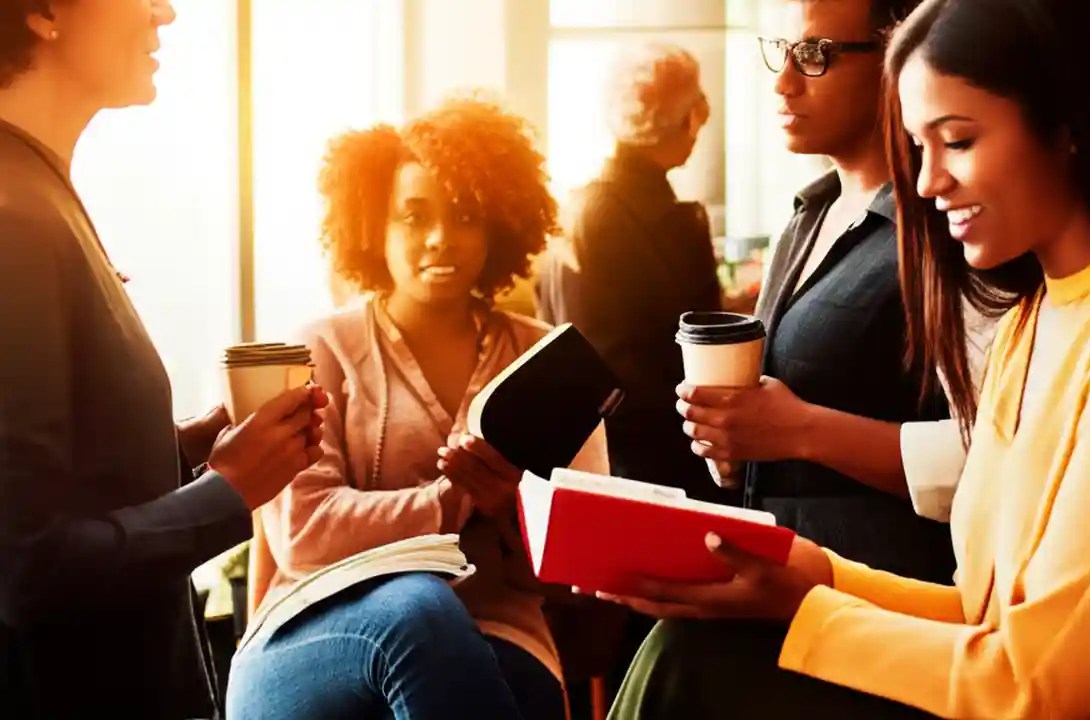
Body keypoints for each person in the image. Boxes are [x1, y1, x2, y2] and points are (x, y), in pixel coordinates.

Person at [602, 0, 1090, 717]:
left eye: (956, 141)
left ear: (1069, 127)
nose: (927, 182)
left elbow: (1031, 683)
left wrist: (812, 609)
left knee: (694, 668)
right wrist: (818, 576)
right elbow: (985, 615)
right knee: (690, 650)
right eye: (917, 147)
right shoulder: (1032, 319)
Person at [609, 1, 964, 716]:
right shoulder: (807, 216)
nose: (784, 85)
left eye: (817, 57)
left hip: (875, 596)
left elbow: (991, 457)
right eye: (786, 54)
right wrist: (731, 440)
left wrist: (798, 431)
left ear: (899, 63)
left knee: (678, 663)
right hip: (769, 567)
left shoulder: (946, 233)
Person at [226, 96, 609, 720]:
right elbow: (303, 533)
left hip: (498, 634)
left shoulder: (544, 356)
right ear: (373, 228)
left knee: (486, 666)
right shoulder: (322, 348)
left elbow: (585, 555)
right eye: (413, 217)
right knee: (420, 609)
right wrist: (451, 501)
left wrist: (508, 511)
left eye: (464, 216)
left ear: (497, 226)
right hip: (310, 633)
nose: (439, 239)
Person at [0, 2, 329, 717]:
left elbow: (58, 486)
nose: (165, 12)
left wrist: (189, 454)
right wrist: (227, 493)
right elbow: (25, 565)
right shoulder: (13, 216)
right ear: (44, 12)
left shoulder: (39, 190)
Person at [537, 43, 722, 502]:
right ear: (686, 118)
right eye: (698, 105)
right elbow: (701, 350)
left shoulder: (575, 205)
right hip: (663, 458)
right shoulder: (673, 222)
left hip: (583, 450)